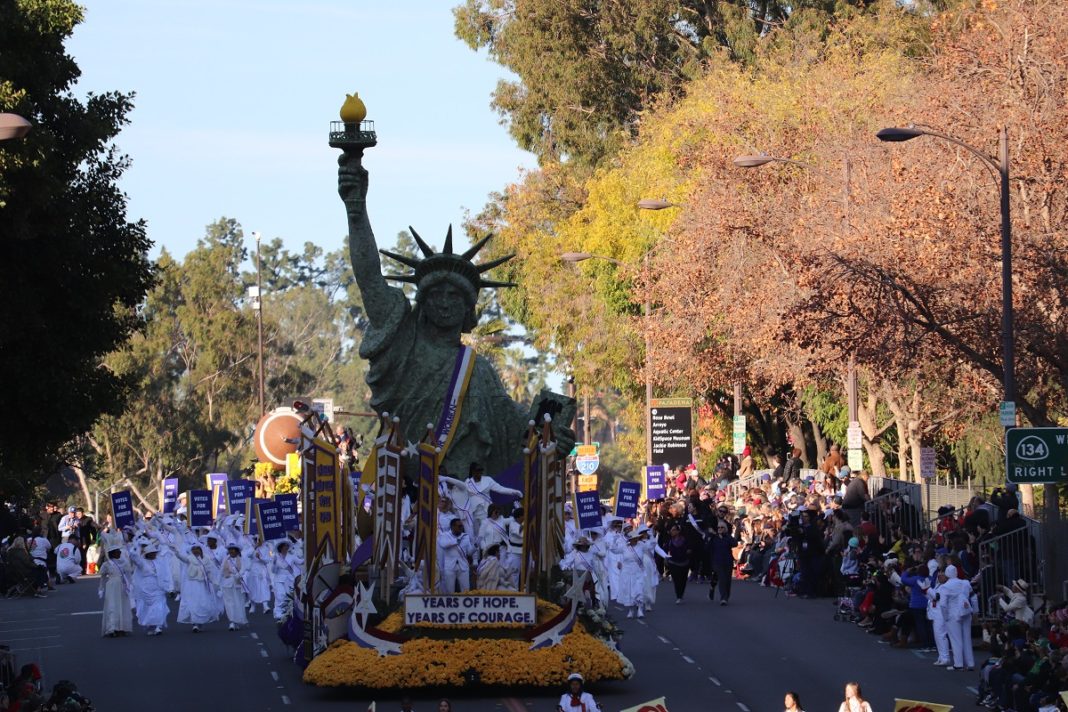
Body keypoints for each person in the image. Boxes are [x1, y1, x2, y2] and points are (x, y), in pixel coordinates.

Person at [439, 462, 522, 537]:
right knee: (476, 535)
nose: (480, 472)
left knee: (488, 532)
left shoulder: (488, 480)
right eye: (477, 470)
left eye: (481, 470)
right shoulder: (468, 482)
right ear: (473, 471)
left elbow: (500, 489)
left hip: (486, 510)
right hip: (473, 512)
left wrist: (514, 492)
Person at [174, 543, 220, 633]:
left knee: (202, 604)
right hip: (192, 584)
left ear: (201, 550)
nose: (195, 551)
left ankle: (200, 623)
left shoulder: (207, 559)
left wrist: (214, 583)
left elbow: (210, 572)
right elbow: (181, 557)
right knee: (192, 603)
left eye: (197, 549)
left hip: (203, 585)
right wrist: (176, 552)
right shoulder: (189, 559)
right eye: (194, 549)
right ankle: (194, 624)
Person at [940, 564, 976, 670]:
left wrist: (945, 616)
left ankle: (958, 664)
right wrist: (975, 611)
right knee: (967, 638)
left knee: (956, 639)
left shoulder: (945, 586)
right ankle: (970, 663)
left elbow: (942, 604)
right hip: (966, 612)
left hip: (953, 615)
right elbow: (973, 597)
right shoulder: (965, 583)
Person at [130, 541, 170, 636]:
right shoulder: (142, 562)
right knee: (148, 607)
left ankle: (158, 626)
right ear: (147, 554)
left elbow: (165, 573)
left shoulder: (159, 561)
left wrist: (167, 585)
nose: (154, 554)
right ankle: (152, 625)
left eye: (154, 553)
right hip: (146, 587)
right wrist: (136, 546)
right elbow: (133, 556)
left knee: (160, 605)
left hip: (158, 586)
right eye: (152, 553)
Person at [99, 544, 133, 637]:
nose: (120, 553)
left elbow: (128, 574)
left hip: (122, 585)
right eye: (118, 552)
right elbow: (102, 577)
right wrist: (101, 589)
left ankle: (121, 627)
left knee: (122, 605)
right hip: (112, 586)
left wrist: (130, 585)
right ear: (113, 553)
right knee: (112, 606)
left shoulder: (123, 562)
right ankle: (112, 628)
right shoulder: (106, 564)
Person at [438, 517, 475, 593]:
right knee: (449, 591)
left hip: (463, 566)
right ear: (452, 527)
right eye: (459, 526)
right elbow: (443, 544)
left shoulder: (465, 536)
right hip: (450, 567)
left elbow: (469, 552)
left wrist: (475, 547)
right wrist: (456, 541)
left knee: (466, 591)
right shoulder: (445, 535)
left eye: (462, 526)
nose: (461, 528)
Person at [220, 543, 249, 631]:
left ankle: (237, 620)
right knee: (229, 603)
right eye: (230, 549)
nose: (232, 551)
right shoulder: (225, 559)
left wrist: (239, 574)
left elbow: (244, 568)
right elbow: (221, 571)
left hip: (237, 583)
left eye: (233, 549)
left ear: (237, 551)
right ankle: (232, 621)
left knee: (238, 602)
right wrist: (218, 585)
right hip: (227, 583)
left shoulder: (241, 559)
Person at [707, 520, 736, 605]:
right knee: (722, 579)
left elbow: (735, 544)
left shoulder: (728, 537)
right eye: (718, 527)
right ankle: (723, 598)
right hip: (717, 561)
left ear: (725, 529)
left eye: (722, 527)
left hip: (728, 561)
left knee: (727, 580)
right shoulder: (714, 538)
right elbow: (707, 548)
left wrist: (727, 535)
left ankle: (726, 596)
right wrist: (711, 537)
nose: (720, 529)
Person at [664, 524, 691, 603]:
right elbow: (665, 550)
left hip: (684, 563)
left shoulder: (685, 540)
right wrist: (666, 558)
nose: (672, 532)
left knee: (683, 580)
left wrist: (688, 551)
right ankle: (678, 596)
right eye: (671, 530)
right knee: (676, 580)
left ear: (678, 531)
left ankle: (681, 594)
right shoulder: (670, 541)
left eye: (674, 530)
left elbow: (690, 548)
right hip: (673, 563)